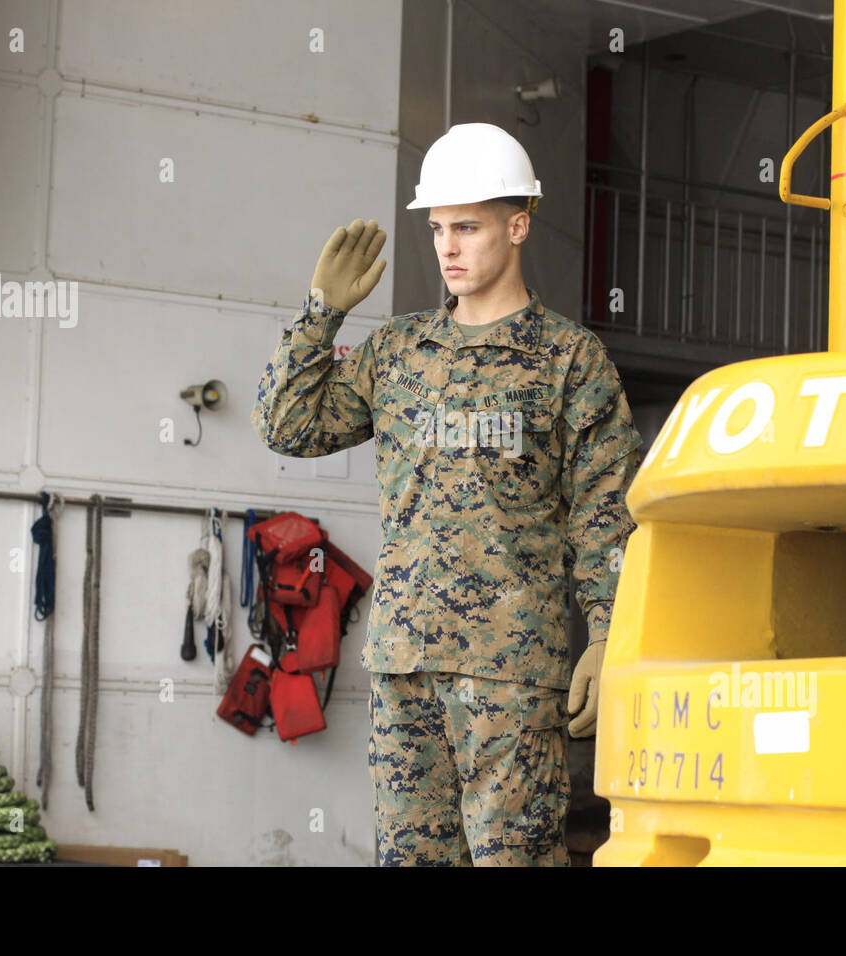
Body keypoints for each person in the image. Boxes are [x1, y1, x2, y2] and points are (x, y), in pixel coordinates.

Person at [253, 122, 642, 866]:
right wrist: (319, 315)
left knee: (513, 860)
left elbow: (606, 513)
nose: (449, 247)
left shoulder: (568, 360)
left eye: (468, 226)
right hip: (404, 663)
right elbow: (288, 424)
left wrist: (606, 632)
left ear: (518, 224)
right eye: (437, 229)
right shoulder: (398, 352)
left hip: (510, 671)